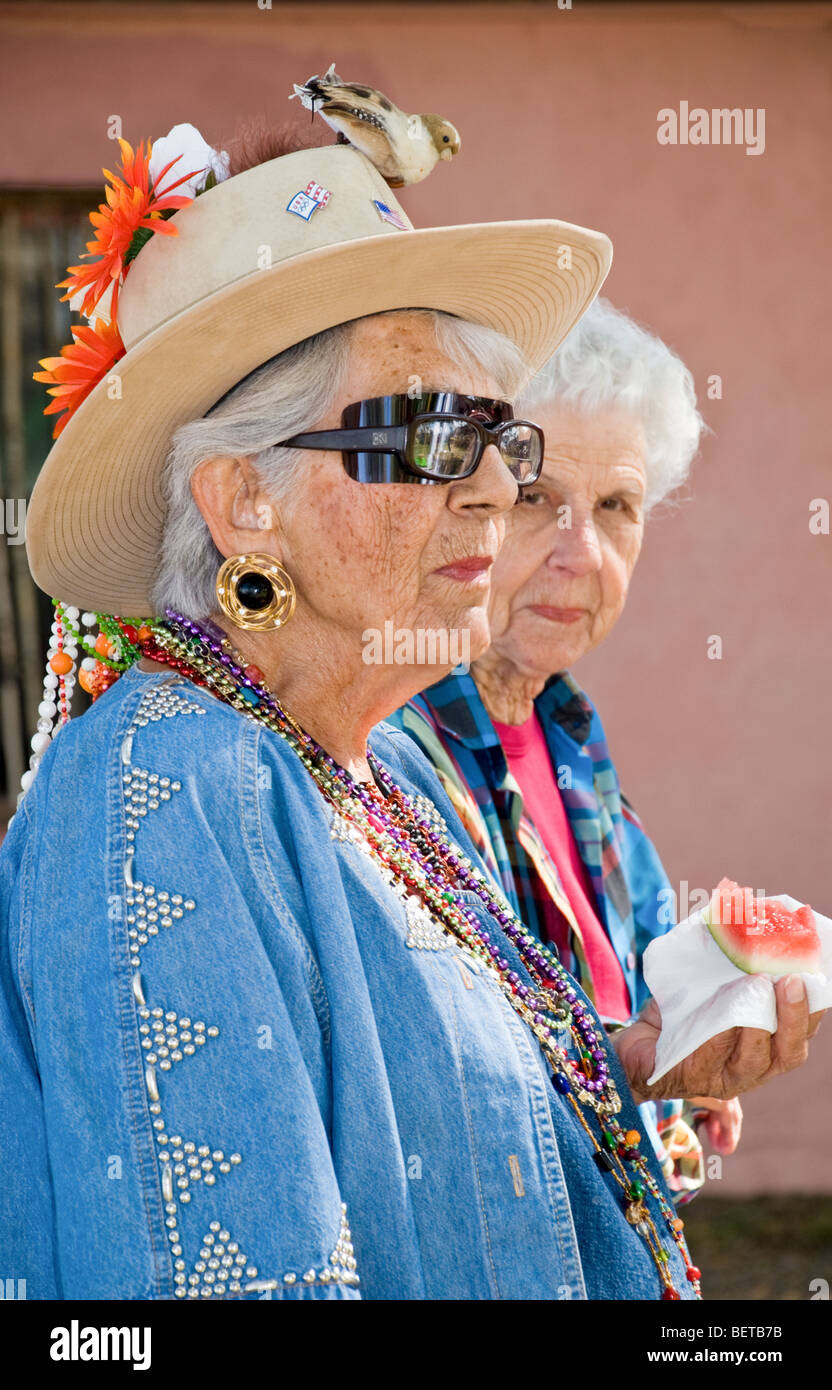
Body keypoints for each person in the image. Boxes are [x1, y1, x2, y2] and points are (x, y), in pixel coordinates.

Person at [0, 125, 820, 1302]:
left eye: (494, 433)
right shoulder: (163, 784)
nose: (494, 486)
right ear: (244, 501)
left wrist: (625, 1063)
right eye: (427, 436)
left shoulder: (367, 769)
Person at [387, 299, 742, 1202]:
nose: (580, 553)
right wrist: (634, 1070)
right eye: (538, 498)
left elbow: (646, 991)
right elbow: (447, 1087)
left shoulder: (571, 737)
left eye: (617, 506)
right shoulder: (386, 750)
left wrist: (693, 1067)